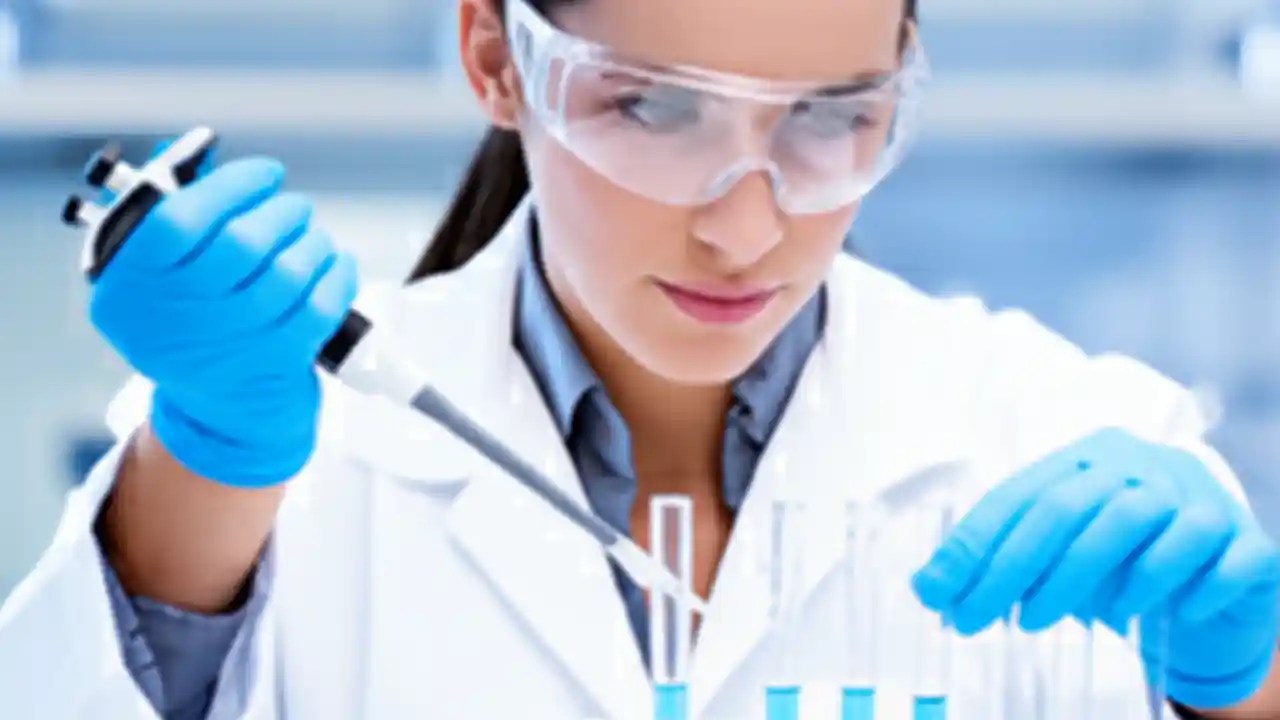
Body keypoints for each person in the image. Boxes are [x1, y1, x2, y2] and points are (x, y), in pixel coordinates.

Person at [2, 0, 1279, 717]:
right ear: (497, 59)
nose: (745, 225)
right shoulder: (299, 457)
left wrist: (1244, 691)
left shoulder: (1054, 430)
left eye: (831, 120)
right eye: (655, 108)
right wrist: (204, 453)